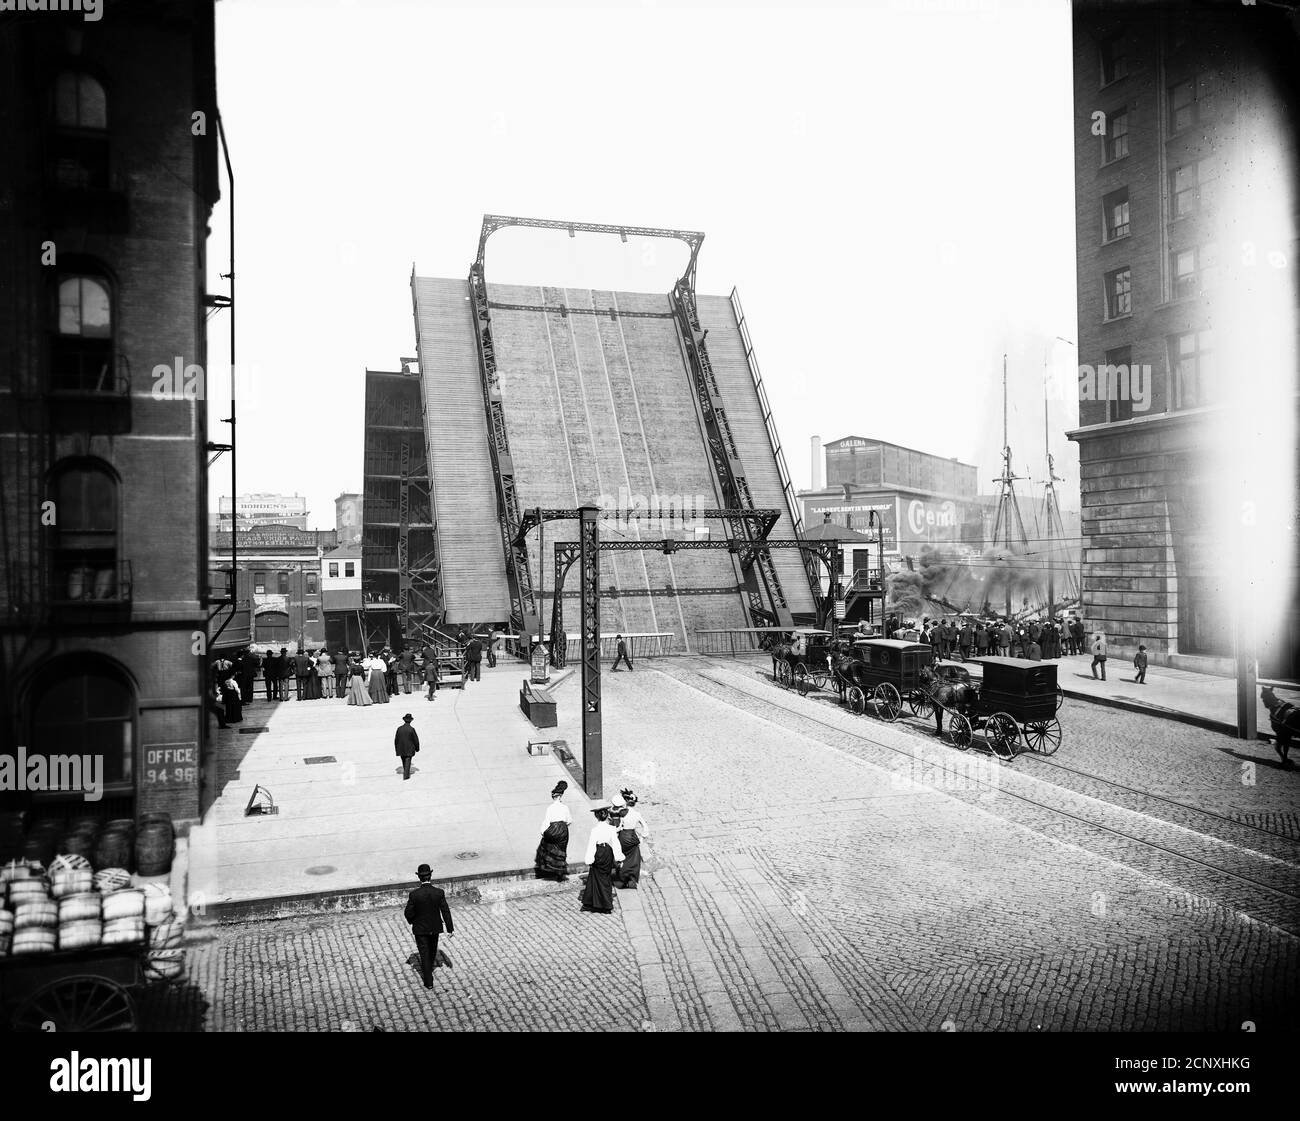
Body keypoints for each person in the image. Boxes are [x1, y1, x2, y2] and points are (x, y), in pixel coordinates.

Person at [404, 863, 454, 988]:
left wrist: (413, 921)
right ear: (430, 876)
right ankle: (429, 969)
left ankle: (428, 981)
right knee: (432, 951)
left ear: (419, 878)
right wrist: (450, 929)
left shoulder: (414, 895)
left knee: (424, 953)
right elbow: (445, 911)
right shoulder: (439, 893)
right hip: (434, 928)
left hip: (420, 930)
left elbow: (408, 913)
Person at [579, 803, 621, 914]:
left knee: (596, 877)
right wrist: (619, 857)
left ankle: (594, 903)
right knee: (606, 877)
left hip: (598, 853)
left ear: (596, 817)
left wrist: (589, 859)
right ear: (607, 816)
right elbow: (616, 843)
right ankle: (606, 904)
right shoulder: (612, 829)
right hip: (607, 852)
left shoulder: (595, 830)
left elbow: (591, 845)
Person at [611, 787, 648, 890]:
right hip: (632, 837)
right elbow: (645, 827)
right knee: (634, 859)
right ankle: (631, 879)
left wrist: (615, 830)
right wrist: (642, 838)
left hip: (623, 837)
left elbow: (619, 827)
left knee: (622, 857)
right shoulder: (637, 814)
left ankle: (622, 878)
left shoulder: (623, 813)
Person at [534, 780, 571, 881]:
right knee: (562, 850)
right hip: (563, 829)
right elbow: (569, 821)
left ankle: (549, 867)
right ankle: (560, 871)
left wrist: (543, 832)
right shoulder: (565, 807)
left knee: (547, 845)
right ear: (560, 796)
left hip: (553, 828)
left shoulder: (550, 808)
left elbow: (547, 821)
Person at [395, 713, 419, 780]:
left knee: (404, 760)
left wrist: (397, 749)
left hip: (401, 748)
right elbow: (415, 740)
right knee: (408, 761)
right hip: (409, 748)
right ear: (410, 721)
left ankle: (406, 772)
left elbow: (396, 740)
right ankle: (406, 776)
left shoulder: (399, 729)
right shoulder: (411, 729)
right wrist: (417, 748)